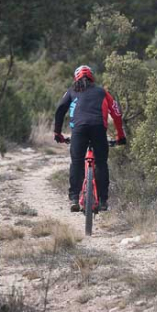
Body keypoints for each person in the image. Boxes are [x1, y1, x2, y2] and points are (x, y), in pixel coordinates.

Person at [53, 65, 126, 212]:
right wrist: (120, 135)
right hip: (98, 128)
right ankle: (103, 201)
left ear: (76, 78)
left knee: (77, 162)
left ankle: (74, 198)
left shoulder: (71, 91)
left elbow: (60, 108)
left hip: (79, 130)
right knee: (101, 163)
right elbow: (116, 113)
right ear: (92, 77)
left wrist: (57, 133)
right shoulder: (102, 91)